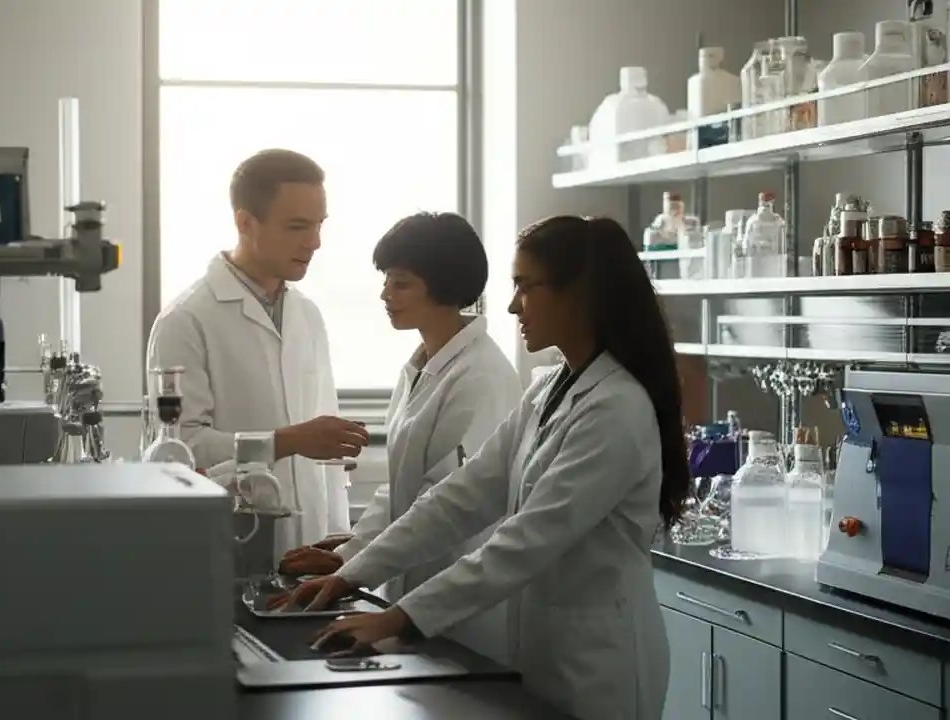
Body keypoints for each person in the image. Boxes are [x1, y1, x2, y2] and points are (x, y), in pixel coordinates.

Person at [275, 216, 690, 720]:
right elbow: (459, 497)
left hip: (600, 664)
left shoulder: (617, 409)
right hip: (542, 650)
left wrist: (399, 618)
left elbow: (527, 540)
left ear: (579, 294)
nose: (513, 304)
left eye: (525, 287)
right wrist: (352, 572)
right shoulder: (548, 388)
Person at [278, 212, 522, 662]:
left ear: (445, 286)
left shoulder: (481, 378)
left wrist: (353, 566)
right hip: (414, 587)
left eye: (401, 283)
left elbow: (447, 502)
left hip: (458, 600)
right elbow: (401, 487)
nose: (386, 295)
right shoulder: (420, 368)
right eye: (386, 281)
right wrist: (349, 553)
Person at [145, 149, 369, 557]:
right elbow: (181, 447)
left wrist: (338, 542)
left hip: (312, 550)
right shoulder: (186, 320)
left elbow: (328, 452)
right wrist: (288, 441)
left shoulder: (307, 315)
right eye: (297, 226)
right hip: (231, 545)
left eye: (319, 225)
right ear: (245, 222)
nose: (315, 242)